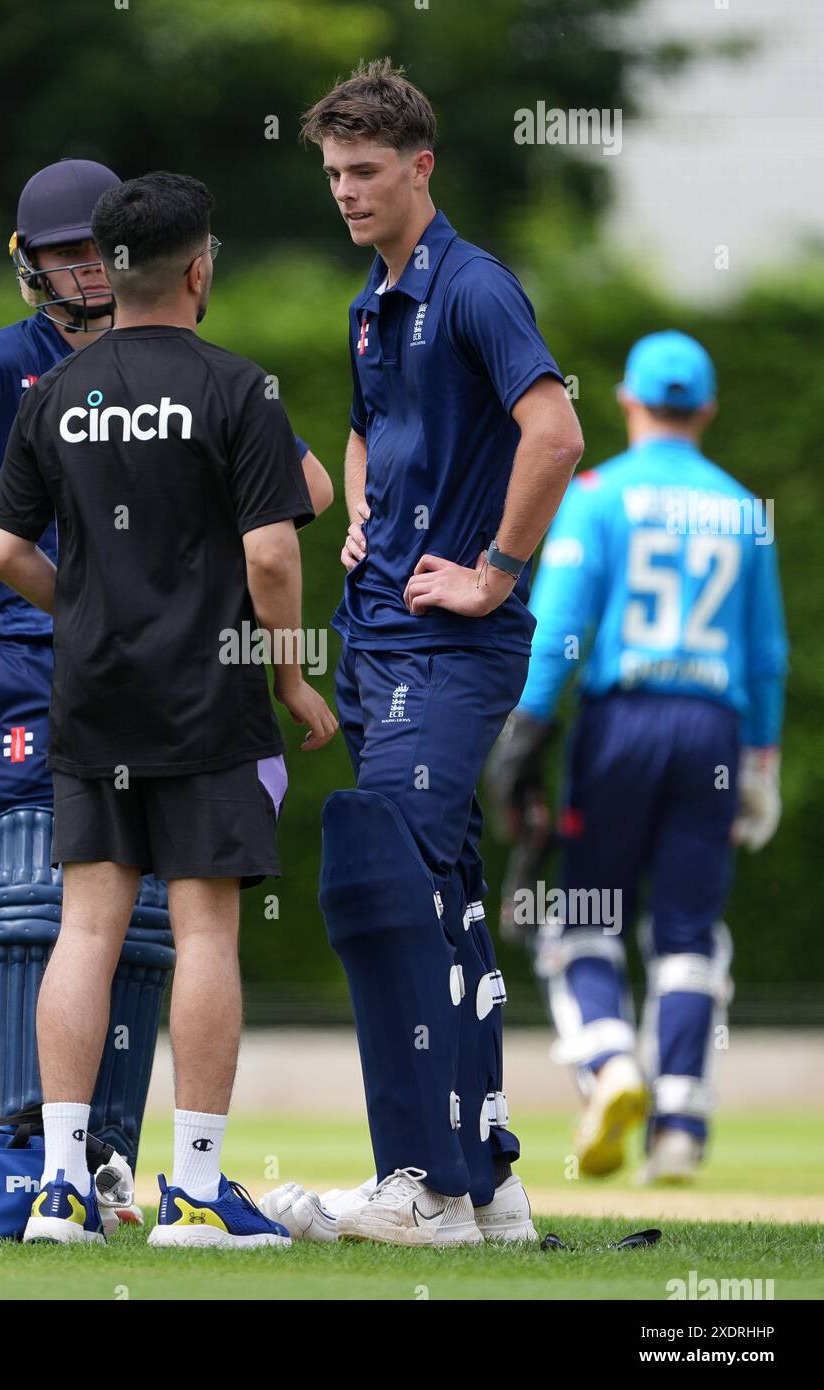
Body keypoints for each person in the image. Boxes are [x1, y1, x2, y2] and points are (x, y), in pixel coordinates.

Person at [0, 159, 330, 1212]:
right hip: (202, 697)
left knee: (82, 929)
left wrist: (85, 608)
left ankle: (57, 1185)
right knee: (203, 932)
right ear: (199, 269)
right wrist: (291, 674)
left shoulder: (56, 394)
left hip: (87, 691)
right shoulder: (236, 386)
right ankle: (197, 1191)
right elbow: (280, 543)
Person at [296, 59, 583, 1246]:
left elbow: (556, 433)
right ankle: (488, 1179)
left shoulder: (474, 289)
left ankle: (419, 1181)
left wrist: (495, 574)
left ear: (421, 166)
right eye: (332, 174)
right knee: (448, 900)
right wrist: (362, 511)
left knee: (386, 885)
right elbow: (367, 436)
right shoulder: (373, 303)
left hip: (450, 648)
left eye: (365, 172)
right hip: (378, 635)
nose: (347, 193)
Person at [486, 332, 788, 1184]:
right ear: (710, 409)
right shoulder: (742, 508)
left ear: (627, 401)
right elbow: (766, 653)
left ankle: (612, 1065)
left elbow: (560, 626)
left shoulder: (600, 493)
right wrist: (760, 763)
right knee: (689, 930)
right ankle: (682, 1123)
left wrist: (525, 730)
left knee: (584, 908)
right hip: (715, 731)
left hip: (622, 723)